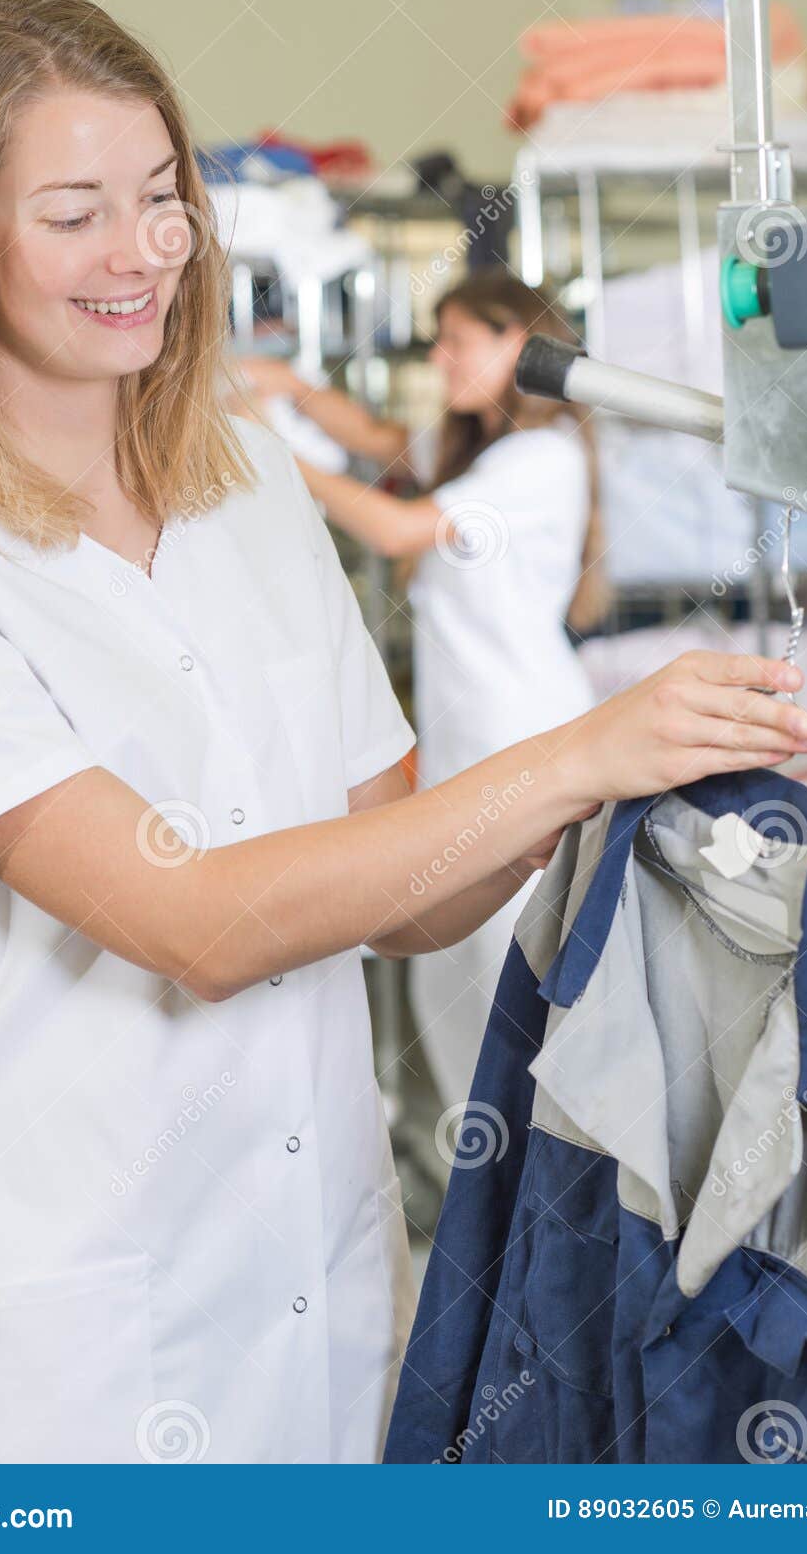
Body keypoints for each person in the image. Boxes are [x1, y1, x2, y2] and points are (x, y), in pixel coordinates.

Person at [0, 0, 807, 1466]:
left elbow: (401, 885)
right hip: (89, 1315)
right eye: (76, 210)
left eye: (163, 196)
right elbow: (196, 923)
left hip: (328, 1276)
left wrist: (672, 790)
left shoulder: (248, 488)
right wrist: (580, 749)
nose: (144, 249)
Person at [236, 271, 605, 1109]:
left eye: (456, 343)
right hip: (466, 742)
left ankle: (525, 1192)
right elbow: (375, 437)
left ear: (518, 344)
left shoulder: (539, 459)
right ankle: (482, 1188)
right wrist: (290, 388)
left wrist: (270, 447)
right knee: (452, 975)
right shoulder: (476, 451)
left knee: (508, 977)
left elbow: (395, 524)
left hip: (522, 729)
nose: (440, 359)